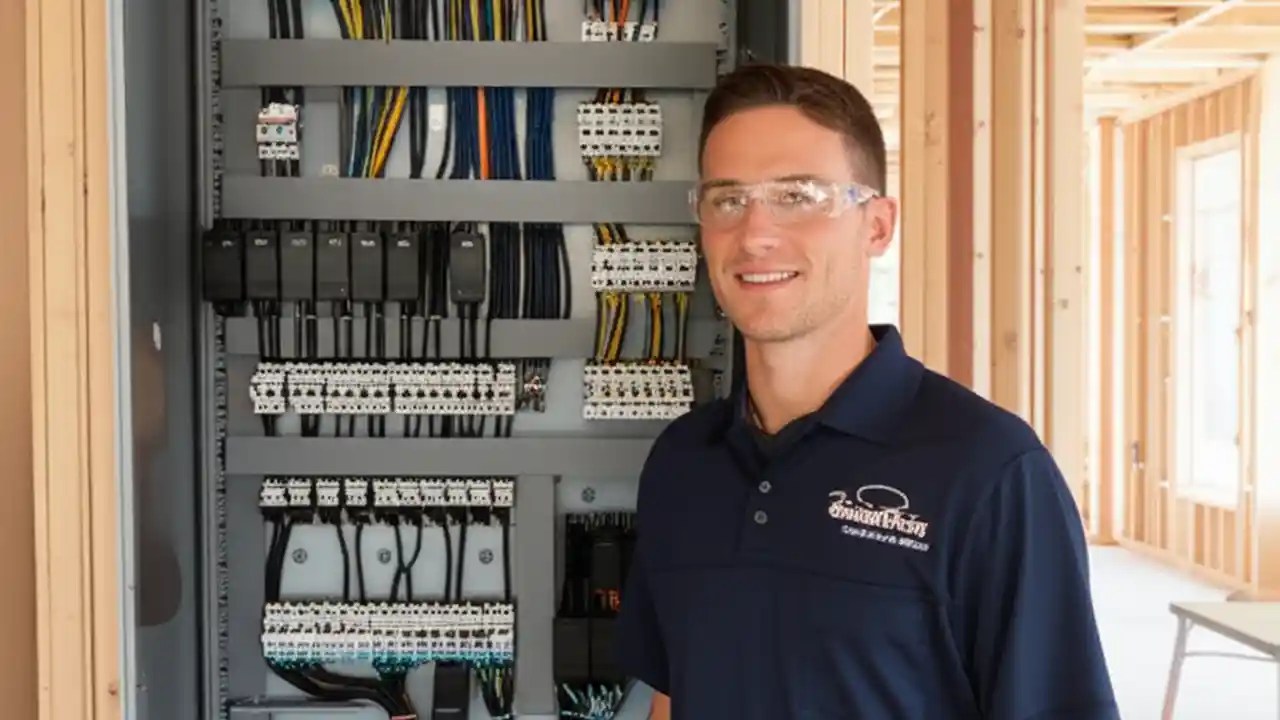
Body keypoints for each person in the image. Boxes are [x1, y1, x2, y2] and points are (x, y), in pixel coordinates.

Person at [614, 63, 1119, 719]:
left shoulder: (990, 472)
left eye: (799, 196)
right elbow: (673, 696)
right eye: (728, 200)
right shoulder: (683, 463)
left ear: (877, 225)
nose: (756, 233)